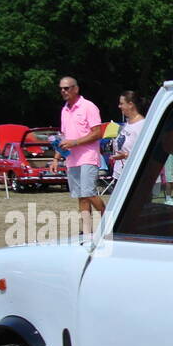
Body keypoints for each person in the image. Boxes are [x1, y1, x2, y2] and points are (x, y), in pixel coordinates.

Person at [57, 75, 105, 233]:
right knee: (81, 197)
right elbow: (64, 137)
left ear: (76, 89)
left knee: (89, 193)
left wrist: (75, 142)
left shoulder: (88, 107)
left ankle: (110, 222)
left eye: (67, 88)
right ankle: (87, 231)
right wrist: (56, 158)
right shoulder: (64, 110)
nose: (63, 91)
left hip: (88, 157)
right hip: (72, 159)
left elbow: (97, 133)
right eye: (61, 89)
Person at [109, 90, 147, 184]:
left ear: (130, 104)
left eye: (121, 103)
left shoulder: (142, 125)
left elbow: (146, 152)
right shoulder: (127, 124)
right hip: (120, 174)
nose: (119, 106)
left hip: (133, 177)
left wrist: (125, 155)